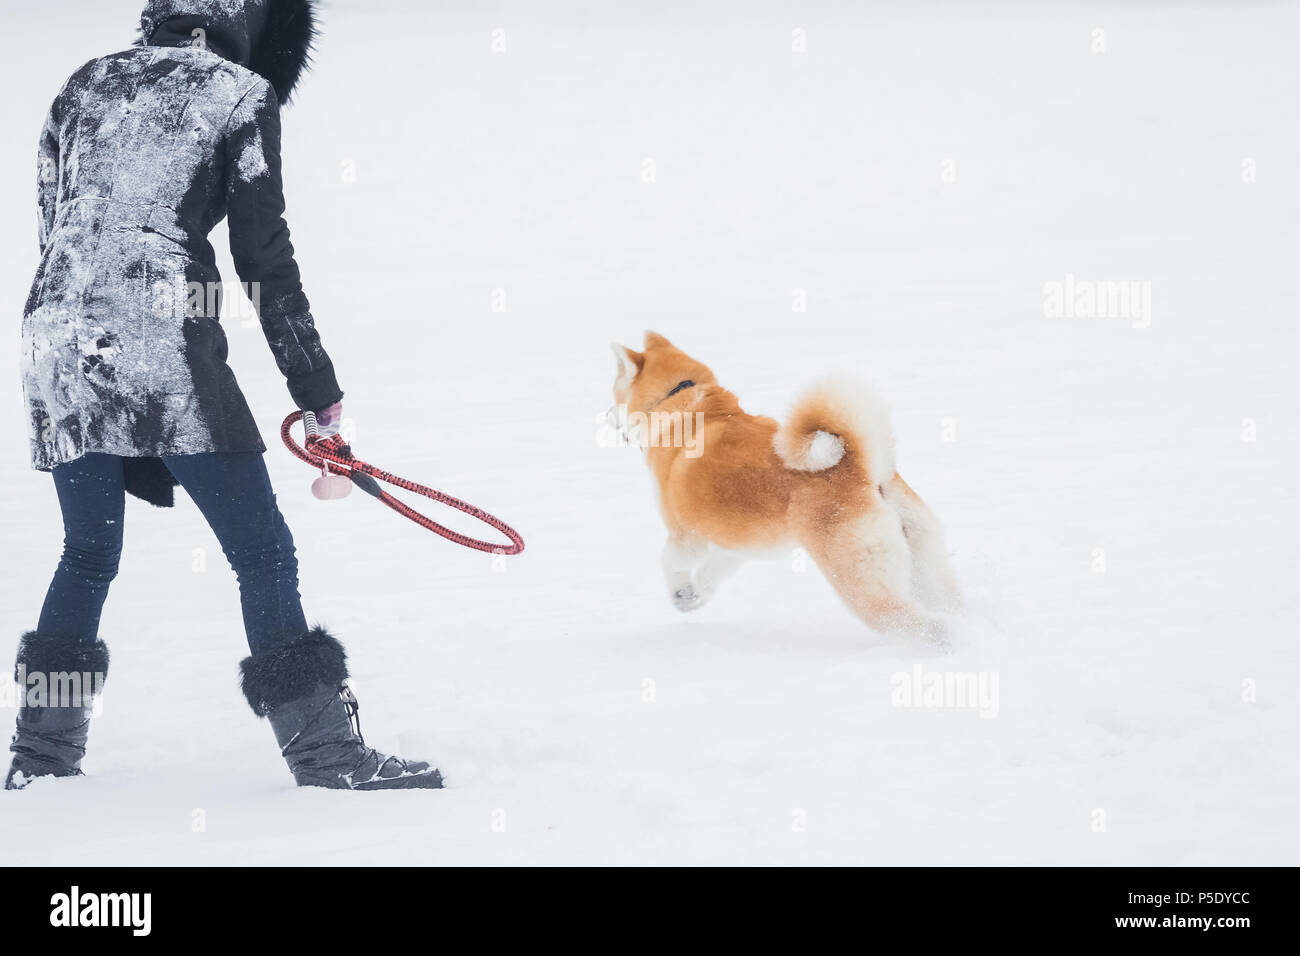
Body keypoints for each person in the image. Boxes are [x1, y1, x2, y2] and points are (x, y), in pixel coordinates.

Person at [8, 0, 442, 791]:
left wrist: (111, 402)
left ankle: (38, 763)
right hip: (159, 344)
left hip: (55, 340)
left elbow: (59, 229)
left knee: (87, 552)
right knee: (263, 553)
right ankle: (325, 756)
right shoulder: (239, 93)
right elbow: (263, 260)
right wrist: (318, 392)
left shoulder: (85, 82)